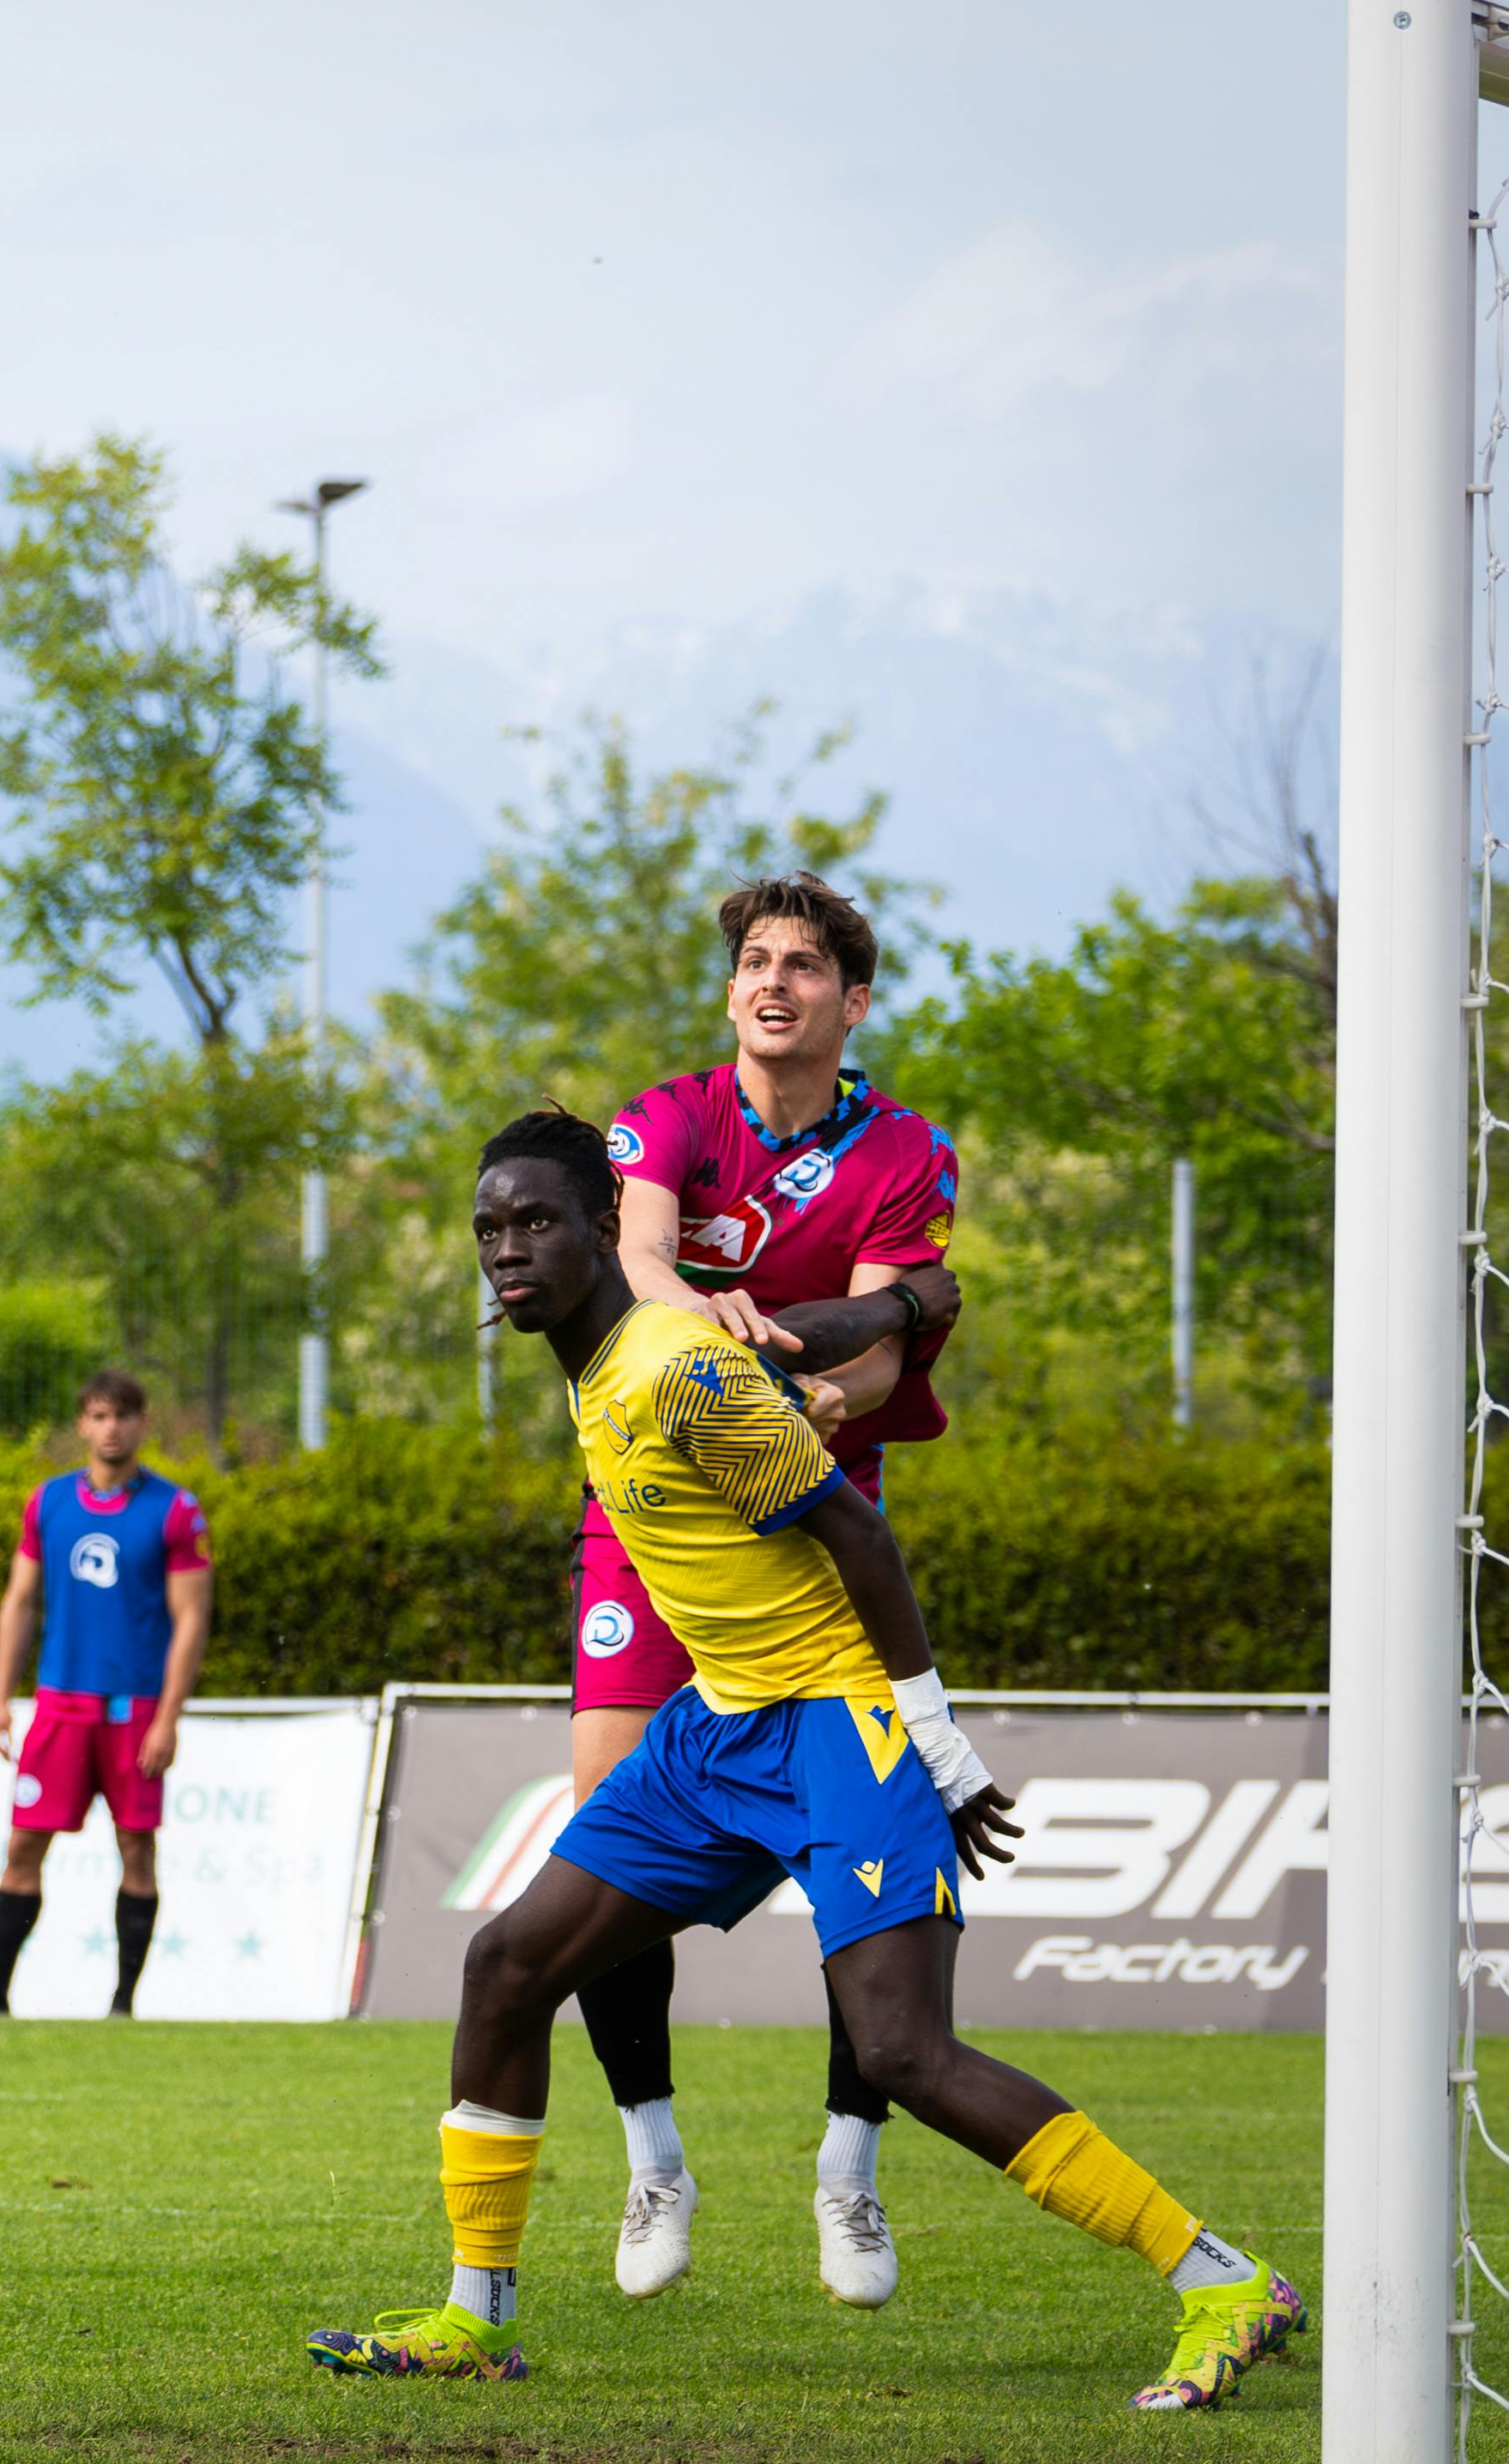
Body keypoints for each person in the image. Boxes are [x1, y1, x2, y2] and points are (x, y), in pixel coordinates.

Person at [304, 1113, 1300, 2410]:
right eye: (489, 1226)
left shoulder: (674, 1369)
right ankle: (472, 2318)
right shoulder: (594, 1366)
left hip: (838, 1720)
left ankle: (1223, 2278)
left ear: (605, 1229)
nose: (507, 1247)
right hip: (715, 1727)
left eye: (536, 1220)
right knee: (506, 1964)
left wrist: (932, 1737)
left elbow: (857, 1535)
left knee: (902, 2054)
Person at [576, 873, 965, 2308]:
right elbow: (633, 1258)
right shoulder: (669, 1114)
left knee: (860, 1866)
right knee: (596, 1843)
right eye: (752, 959)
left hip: (814, 1525)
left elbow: (881, 1351)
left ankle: (845, 2168)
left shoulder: (903, 1147)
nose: (770, 981)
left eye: (801, 964)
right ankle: (651, 2155)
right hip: (647, 1516)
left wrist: (814, 1388)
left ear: (850, 1001)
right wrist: (712, 1344)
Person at [0, 1371, 211, 2018]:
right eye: (100, 1416)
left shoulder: (174, 1509)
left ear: (142, 1424)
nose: (112, 1429)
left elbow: (191, 1618)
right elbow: (20, 1600)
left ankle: (122, 2005)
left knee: (136, 1848)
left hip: (134, 1711)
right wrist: (1, 1697)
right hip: (60, 1707)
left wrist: (168, 1717)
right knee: (23, 1845)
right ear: (82, 1424)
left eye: (124, 1416)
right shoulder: (48, 1502)